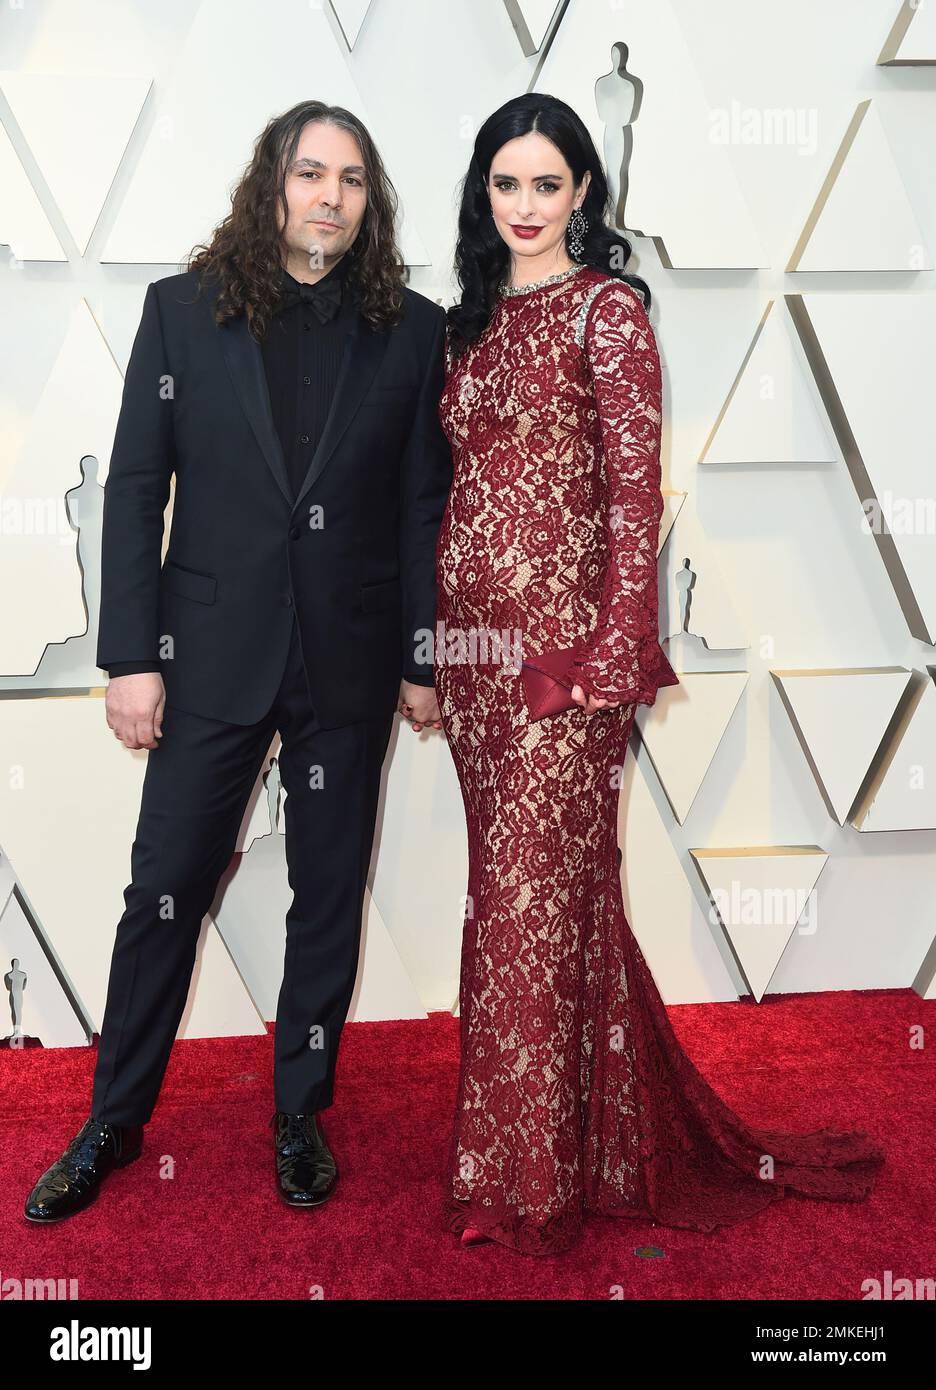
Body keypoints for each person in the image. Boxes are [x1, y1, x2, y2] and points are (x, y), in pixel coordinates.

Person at [434, 93, 885, 1256]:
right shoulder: (466, 323)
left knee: (533, 907)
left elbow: (638, 502)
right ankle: (572, 1143)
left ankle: (529, 1183)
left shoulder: (609, 314)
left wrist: (616, 656)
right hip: (478, 664)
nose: (526, 206)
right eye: (506, 183)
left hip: (566, 665)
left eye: (547, 183)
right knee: (522, 902)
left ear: (583, 190)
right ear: (483, 193)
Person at [23, 100, 451, 1224]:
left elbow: (420, 508)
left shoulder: (413, 331)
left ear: (371, 200)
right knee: (162, 889)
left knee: (326, 897)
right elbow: (135, 487)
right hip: (205, 654)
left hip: (349, 663)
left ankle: (298, 1113)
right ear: (272, 186)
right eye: (310, 173)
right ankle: (115, 1117)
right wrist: (130, 656)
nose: (329, 195)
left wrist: (422, 655)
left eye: (352, 180)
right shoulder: (182, 314)